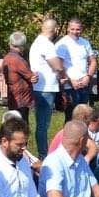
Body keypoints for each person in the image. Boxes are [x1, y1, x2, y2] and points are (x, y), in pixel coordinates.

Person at [28, 16, 64, 149]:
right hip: (46, 87)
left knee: (41, 123)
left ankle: (42, 151)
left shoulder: (37, 42)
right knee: (43, 124)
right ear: (54, 29)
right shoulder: (46, 44)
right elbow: (57, 66)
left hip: (39, 86)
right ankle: (43, 153)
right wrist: (62, 71)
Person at [56, 17, 97, 109]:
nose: (75, 32)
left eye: (78, 29)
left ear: (81, 29)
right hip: (70, 85)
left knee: (83, 115)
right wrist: (70, 81)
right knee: (71, 117)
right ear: (68, 29)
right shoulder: (62, 44)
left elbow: (93, 61)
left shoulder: (85, 43)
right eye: (72, 29)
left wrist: (88, 76)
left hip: (84, 83)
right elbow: (59, 65)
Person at [2, 32, 35, 127]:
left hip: (12, 95)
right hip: (22, 98)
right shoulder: (19, 60)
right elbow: (31, 77)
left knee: (12, 124)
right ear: (22, 46)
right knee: (22, 125)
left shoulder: (6, 58)